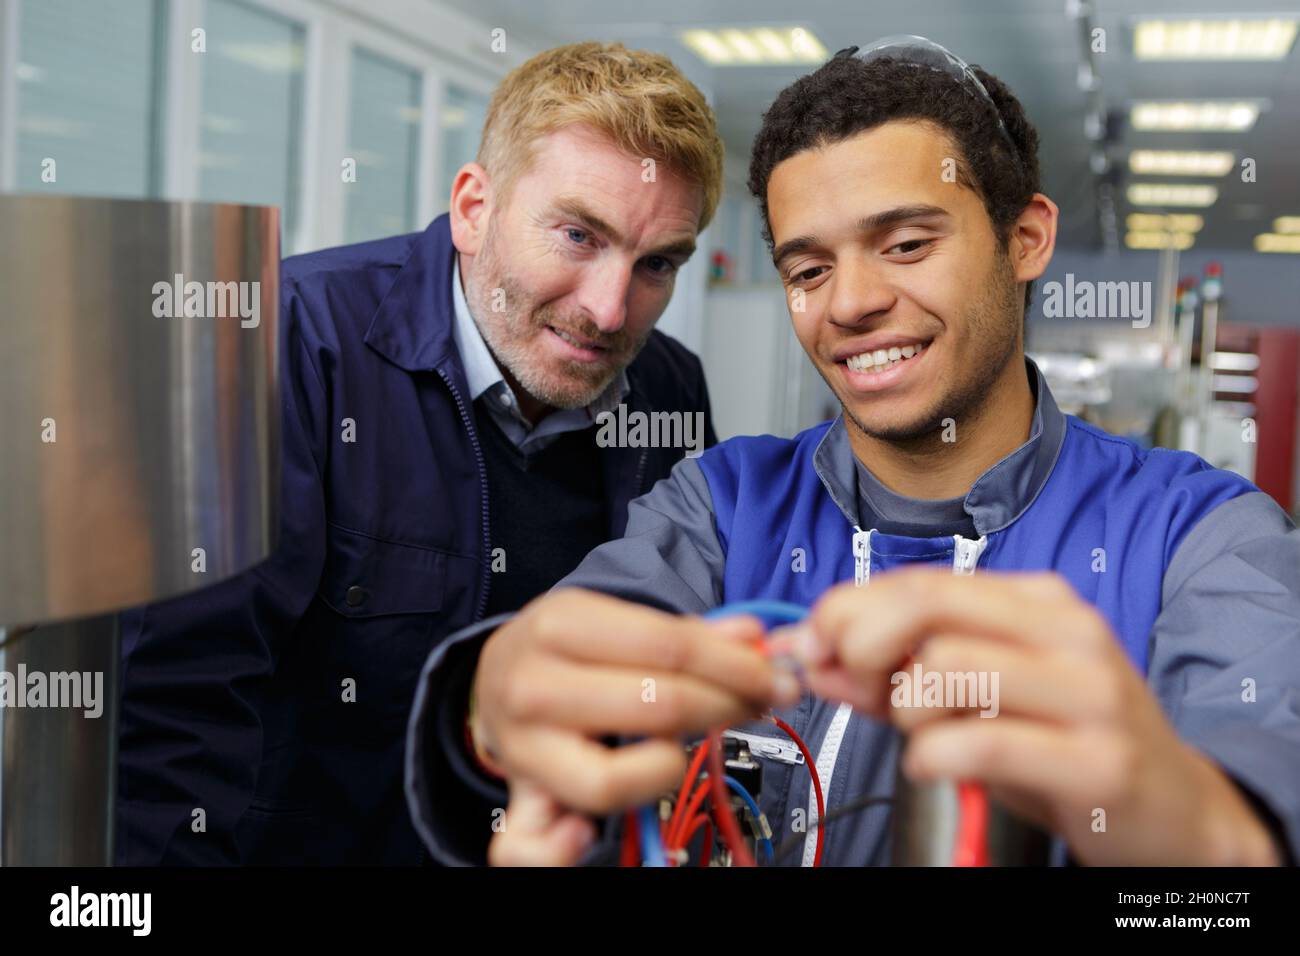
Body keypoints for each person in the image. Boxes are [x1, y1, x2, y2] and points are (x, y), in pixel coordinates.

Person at [405, 38, 1300, 867]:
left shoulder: (1201, 536)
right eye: (808, 270)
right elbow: (579, 665)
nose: (851, 304)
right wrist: (498, 701)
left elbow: (1262, 772)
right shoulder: (723, 504)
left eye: (907, 245)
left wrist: (1194, 820)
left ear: (1025, 239)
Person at [116, 41, 724, 865]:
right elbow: (169, 718)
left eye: (656, 264)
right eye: (579, 235)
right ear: (475, 207)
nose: (611, 311)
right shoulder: (285, 343)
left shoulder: (668, 387)